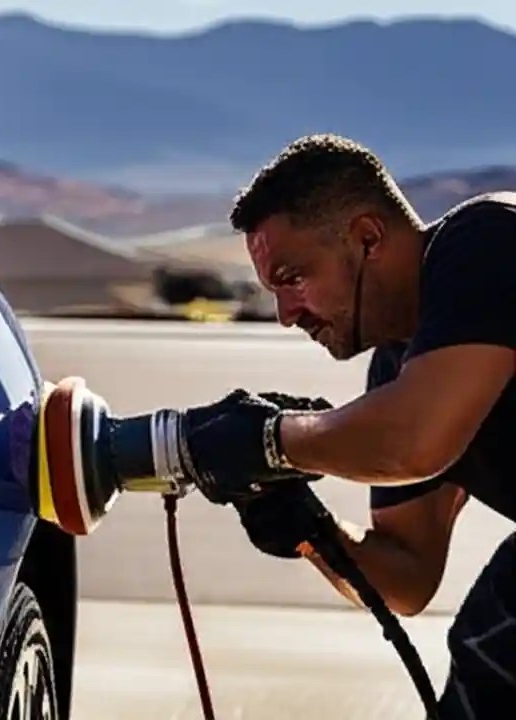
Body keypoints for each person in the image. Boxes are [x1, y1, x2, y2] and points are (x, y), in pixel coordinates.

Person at [171, 133, 515, 718]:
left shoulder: (486, 241)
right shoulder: (400, 369)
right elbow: (408, 579)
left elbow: (414, 441)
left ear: (367, 237)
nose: (286, 315)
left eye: (293, 277)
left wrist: (270, 442)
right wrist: (315, 532)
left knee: (493, 654)